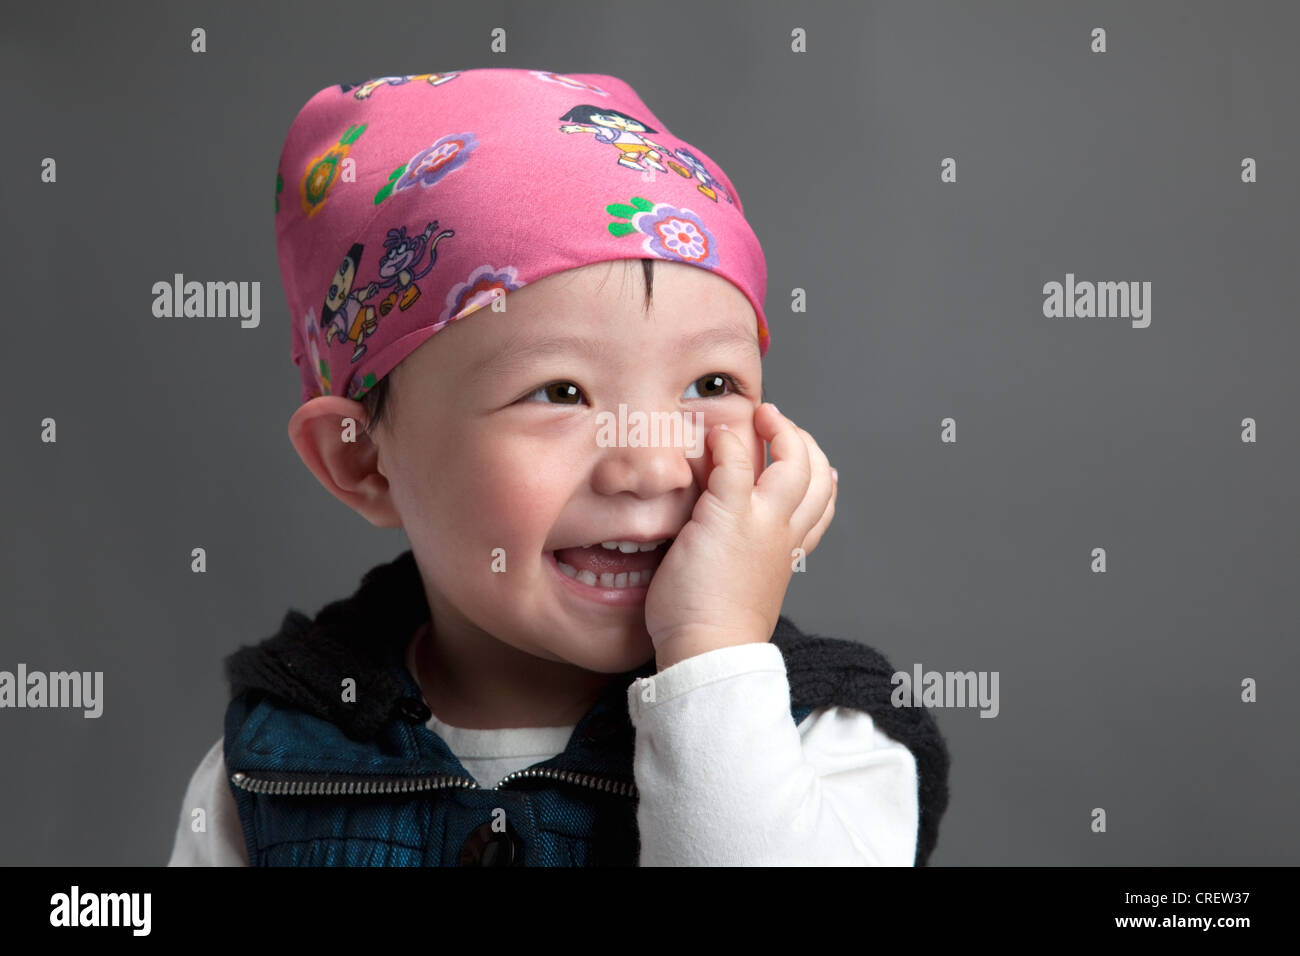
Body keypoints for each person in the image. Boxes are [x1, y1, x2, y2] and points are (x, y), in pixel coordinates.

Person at [168, 67, 950, 866]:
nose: (652, 464)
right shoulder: (266, 774)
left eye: (711, 385)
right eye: (560, 393)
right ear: (361, 459)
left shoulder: (822, 742)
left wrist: (711, 656)